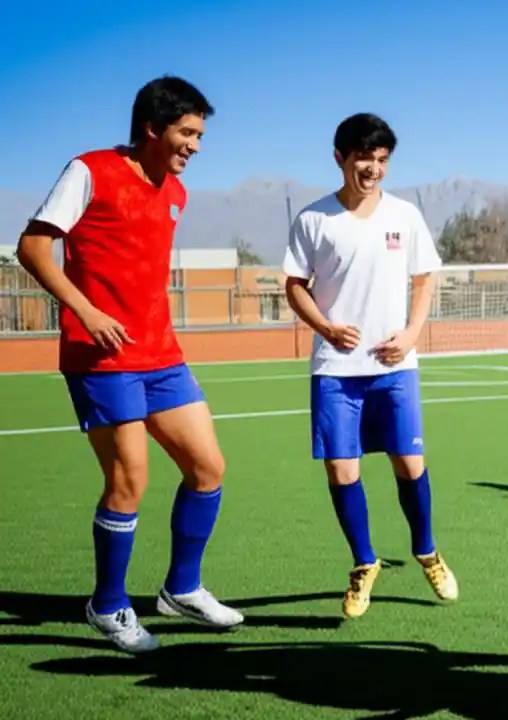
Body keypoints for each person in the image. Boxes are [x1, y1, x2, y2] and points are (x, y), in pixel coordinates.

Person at [16, 76, 242, 654]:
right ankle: (109, 604)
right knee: (129, 480)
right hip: (102, 358)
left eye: (199, 134)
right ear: (152, 128)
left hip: (162, 355)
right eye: (187, 133)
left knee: (208, 468)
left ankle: (181, 590)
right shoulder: (89, 170)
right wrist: (85, 310)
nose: (195, 145)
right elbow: (33, 246)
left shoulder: (175, 193)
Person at [282, 112, 459, 619]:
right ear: (340, 158)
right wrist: (327, 329)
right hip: (336, 370)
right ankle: (364, 564)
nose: (373, 169)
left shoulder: (404, 216)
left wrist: (410, 334)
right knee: (342, 469)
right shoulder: (314, 220)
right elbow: (295, 284)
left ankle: (426, 551)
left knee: (410, 464)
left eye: (382, 160)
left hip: (394, 366)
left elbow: (425, 278)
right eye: (364, 158)